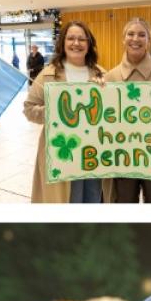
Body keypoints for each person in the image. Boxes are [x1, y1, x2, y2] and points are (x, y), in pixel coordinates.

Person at [24, 21, 106, 203]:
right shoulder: (48, 74)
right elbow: (29, 109)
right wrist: (55, 112)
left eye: (82, 39)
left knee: (93, 197)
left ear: (89, 43)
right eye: (71, 38)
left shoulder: (101, 74)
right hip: (62, 151)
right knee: (70, 200)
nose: (76, 43)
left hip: (94, 151)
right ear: (63, 43)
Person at [104, 18, 151, 203]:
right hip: (123, 156)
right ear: (123, 39)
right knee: (125, 202)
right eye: (130, 34)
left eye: (141, 35)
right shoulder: (111, 76)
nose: (135, 39)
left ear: (149, 40)